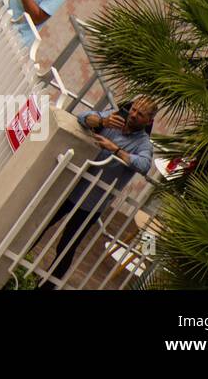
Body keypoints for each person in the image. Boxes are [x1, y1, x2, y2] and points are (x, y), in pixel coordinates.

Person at [34, 96, 156, 287]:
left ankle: (47, 286)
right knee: (38, 228)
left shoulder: (143, 144)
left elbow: (144, 165)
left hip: (92, 202)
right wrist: (101, 121)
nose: (132, 115)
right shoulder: (115, 118)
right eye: (133, 109)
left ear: (148, 121)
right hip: (70, 187)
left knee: (67, 245)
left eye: (139, 114)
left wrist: (115, 149)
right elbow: (84, 117)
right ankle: (11, 264)